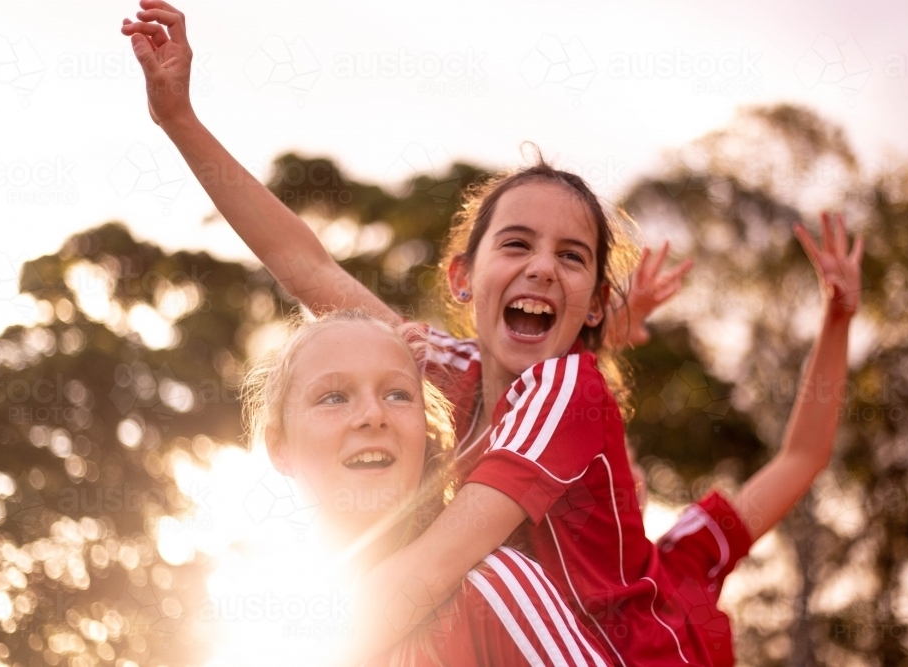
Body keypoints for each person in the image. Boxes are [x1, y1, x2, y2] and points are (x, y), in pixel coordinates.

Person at [122, 4, 862, 663]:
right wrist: (180, 119)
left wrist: (836, 318)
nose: (542, 267)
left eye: (571, 257)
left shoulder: (566, 391)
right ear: (462, 279)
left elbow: (426, 575)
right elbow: (309, 268)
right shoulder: (445, 370)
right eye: (516, 244)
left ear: (595, 303)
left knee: (470, 575)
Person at [241, 309, 613, 666]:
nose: (373, 415)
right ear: (279, 446)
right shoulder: (277, 630)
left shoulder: (495, 588)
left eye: (397, 394)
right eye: (334, 397)